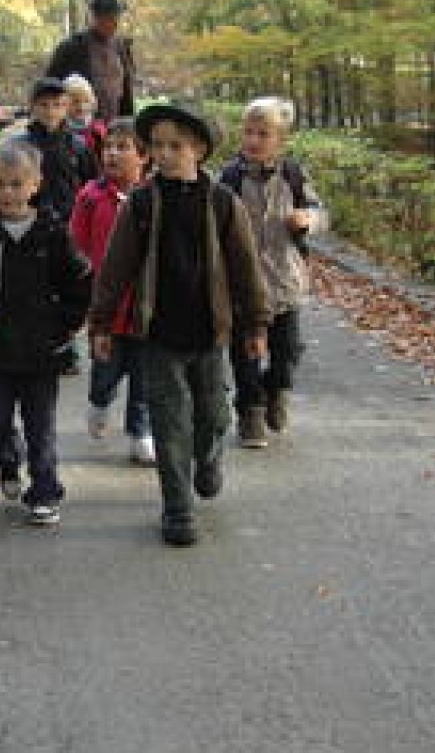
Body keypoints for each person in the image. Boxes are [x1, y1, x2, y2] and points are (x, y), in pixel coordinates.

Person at [88, 104, 269, 547]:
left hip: (209, 334)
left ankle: (208, 460)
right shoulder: (143, 204)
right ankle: (177, 508)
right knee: (170, 423)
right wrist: (102, 324)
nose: (164, 154)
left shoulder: (224, 204)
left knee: (213, 416)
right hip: (158, 335)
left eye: (176, 146)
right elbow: (116, 267)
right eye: (158, 146)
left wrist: (255, 326)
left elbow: (246, 268)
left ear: (199, 151)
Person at [0, 146, 93, 527]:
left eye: (16, 185)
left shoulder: (54, 232)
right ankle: (7, 460)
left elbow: (79, 280)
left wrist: (69, 323)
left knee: (40, 426)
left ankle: (45, 492)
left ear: (35, 185)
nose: (7, 193)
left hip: (41, 350)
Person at [219, 96, 325, 448]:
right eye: (248, 132)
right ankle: (250, 411)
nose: (253, 140)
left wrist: (308, 219)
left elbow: (319, 211)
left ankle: (276, 389)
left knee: (287, 351)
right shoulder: (230, 178)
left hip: (285, 280)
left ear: (280, 140)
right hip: (242, 284)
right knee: (245, 352)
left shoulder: (293, 174)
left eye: (263, 134)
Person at [69, 118, 154, 465]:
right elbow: (75, 243)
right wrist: (81, 278)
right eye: (108, 148)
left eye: (123, 148)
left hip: (145, 305)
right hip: (106, 306)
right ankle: (99, 403)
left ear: (144, 156)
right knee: (106, 372)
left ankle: (141, 433)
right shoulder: (91, 197)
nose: (113, 155)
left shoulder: (153, 197)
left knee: (144, 377)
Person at [6, 77, 96, 227]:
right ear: (33, 107)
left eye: (57, 105)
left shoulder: (78, 146)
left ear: (66, 107)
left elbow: (90, 184)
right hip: (32, 223)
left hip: (71, 221)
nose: (51, 111)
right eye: (44, 105)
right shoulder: (20, 147)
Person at [46, 0, 138, 122]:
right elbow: (50, 86)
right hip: (80, 126)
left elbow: (126, 91)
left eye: (116, 17)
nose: (114, 23)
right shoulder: (72, 47)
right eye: (108, 18)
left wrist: (128, 123)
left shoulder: (121, 47)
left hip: (114, 126)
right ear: (94, 18)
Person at [62, 73, 108, 160]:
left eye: (86, 101)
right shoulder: (60, 129)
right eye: (75, 102)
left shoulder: (98, 130)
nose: (81, 106)